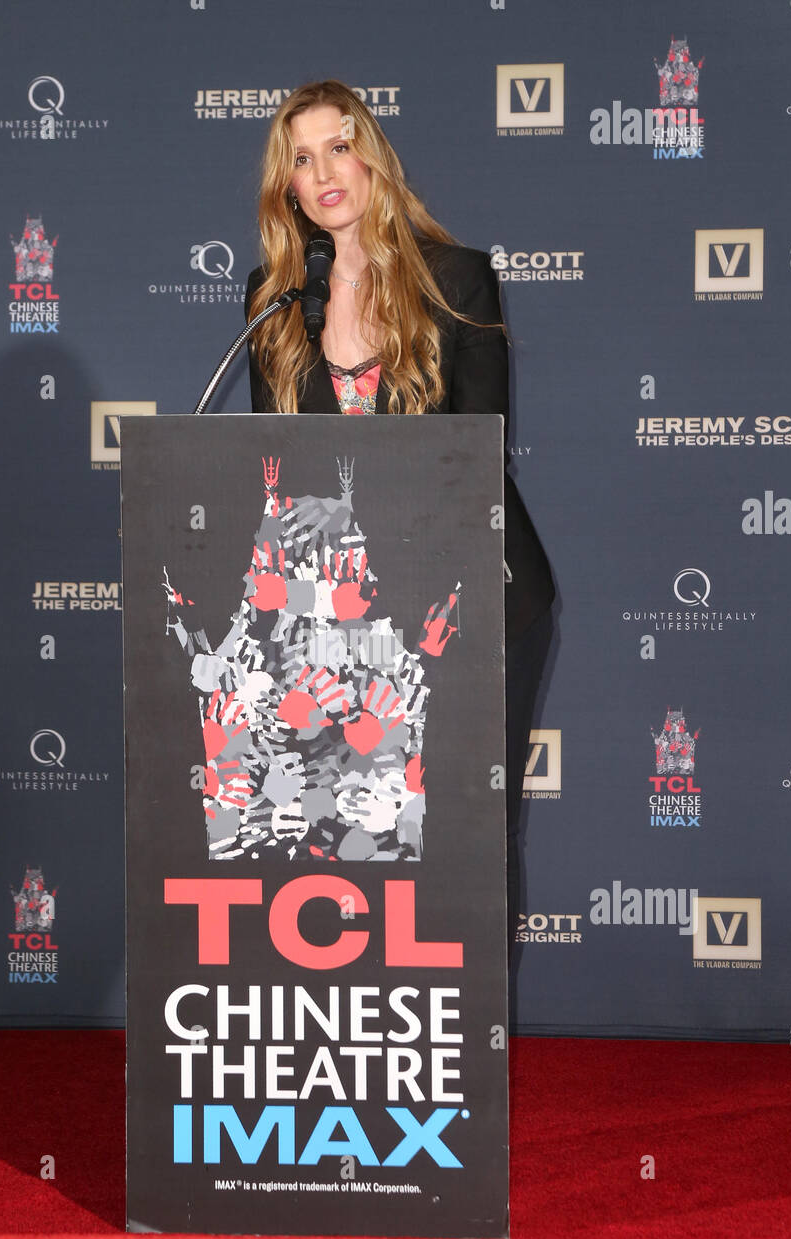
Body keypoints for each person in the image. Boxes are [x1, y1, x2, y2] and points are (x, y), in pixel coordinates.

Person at [244, 79, 555, 984]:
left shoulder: (456, 279)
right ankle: (375, 1027)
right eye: (301, 159)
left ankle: (465, 1032)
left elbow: (481, 453)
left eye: (338, 146)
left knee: (462, 821)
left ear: (372, 155)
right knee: (351, 823)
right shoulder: (272, 303)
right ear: (287, 188)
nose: (323, 171)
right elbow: (282, 479)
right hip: (344, 613)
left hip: (476, 598)